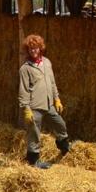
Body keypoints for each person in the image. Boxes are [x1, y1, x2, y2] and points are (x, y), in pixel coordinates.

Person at [18, 34, 70, 168]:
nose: (33, 51)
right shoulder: (25, 68)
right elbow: (23, 90)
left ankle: (65, 148)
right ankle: (33, 162)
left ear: (40, 48)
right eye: (30, 49)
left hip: (49, 104)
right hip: (34, 107)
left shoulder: (47, 62)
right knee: (34, 134)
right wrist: (26, 109)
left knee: (60, 124)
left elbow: (52, 82)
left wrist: (56, 98)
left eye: (35, 48)